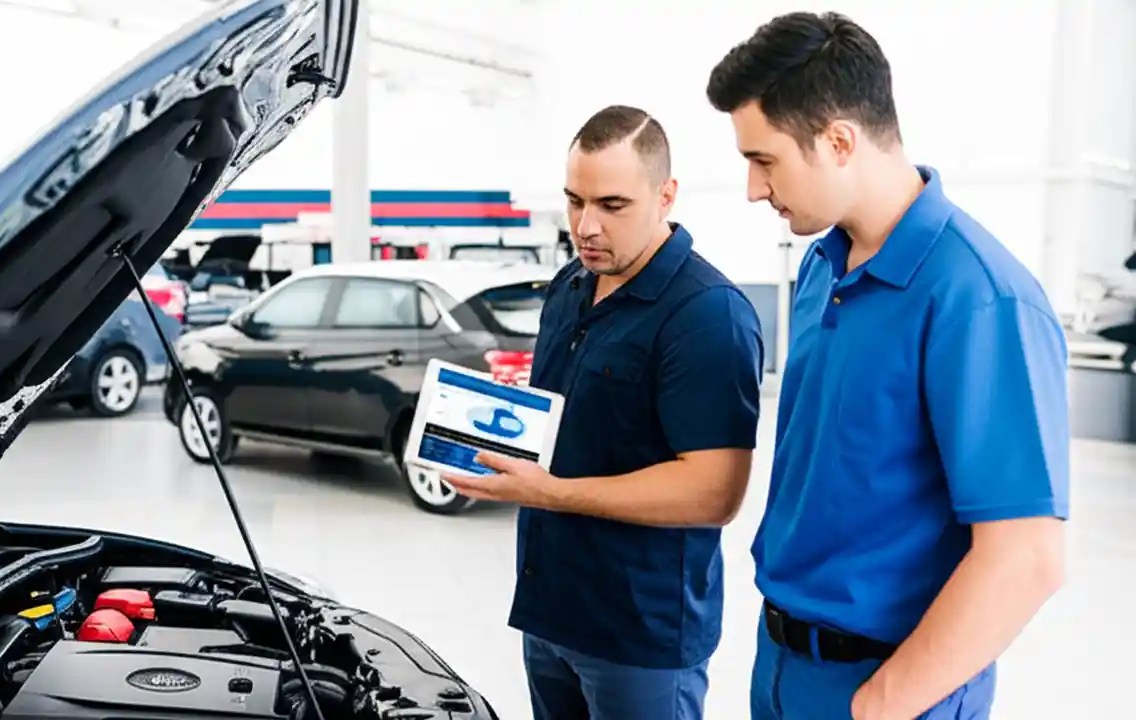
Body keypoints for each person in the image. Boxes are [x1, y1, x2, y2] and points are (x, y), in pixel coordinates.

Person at [704, 11, 1070, 720]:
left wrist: (881, 704)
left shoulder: (981, 298)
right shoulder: (822, 267)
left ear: (839, 140)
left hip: (888, 685)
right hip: (782, 662)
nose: (753, 188)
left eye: (764, 160)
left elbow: (1026, 557)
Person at [442, 105, 765, 718]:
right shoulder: (569, 286)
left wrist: (552, 493)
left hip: (638, 636)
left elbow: (713, 491)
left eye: (612, 206)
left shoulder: (706, 315)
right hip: (550, 608)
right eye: (573, 201)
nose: (586, 226)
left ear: (666, 195)